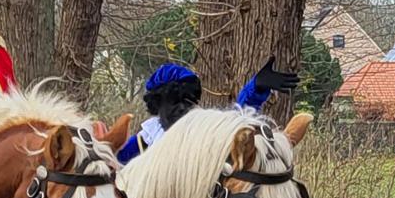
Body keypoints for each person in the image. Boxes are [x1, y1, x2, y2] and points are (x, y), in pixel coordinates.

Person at [116, 60, 295, 163]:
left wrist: (255, 89)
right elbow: (114, 158)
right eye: (175, 102)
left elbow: (236, 120)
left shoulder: (202, 129)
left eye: (188, 102)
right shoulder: (148, 137)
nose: (182, 109)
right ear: (158, 104)